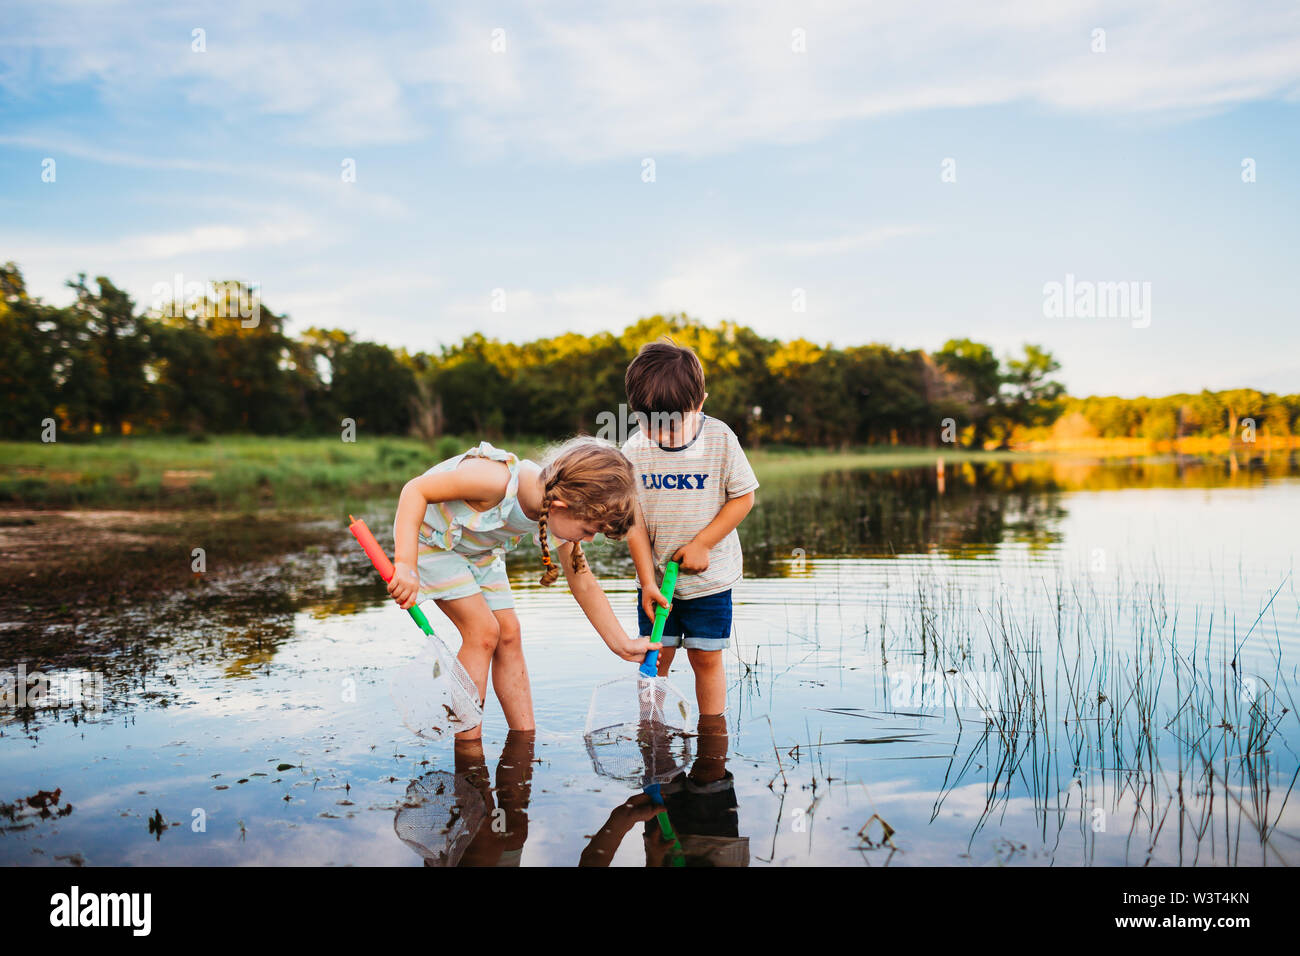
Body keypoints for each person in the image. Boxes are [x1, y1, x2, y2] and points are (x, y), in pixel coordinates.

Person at [386, 435, 656, 740]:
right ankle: (468, 745)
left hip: (478, 552)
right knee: (483, 631)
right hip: (430, 542)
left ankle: (524, 736)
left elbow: (583, 580)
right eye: (588, 530)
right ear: (560, 506)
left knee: (509, 633)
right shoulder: (492, 480)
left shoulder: (553, 507)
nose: (589, 539)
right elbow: (414, 490)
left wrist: (620, 643)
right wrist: (405, 564)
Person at [621, 339, 759, 717]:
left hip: (709, 582)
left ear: (700, 404)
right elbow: (632, 523)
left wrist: (703, 543)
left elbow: (743, 498)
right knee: (655, 658)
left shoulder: (721, 439)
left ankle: (712, 740)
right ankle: (652, 730)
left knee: (705, 659)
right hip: (655, 584)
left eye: (673, 424)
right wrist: (646, 580)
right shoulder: (634, 452)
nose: (663, 436)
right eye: (652, 425)